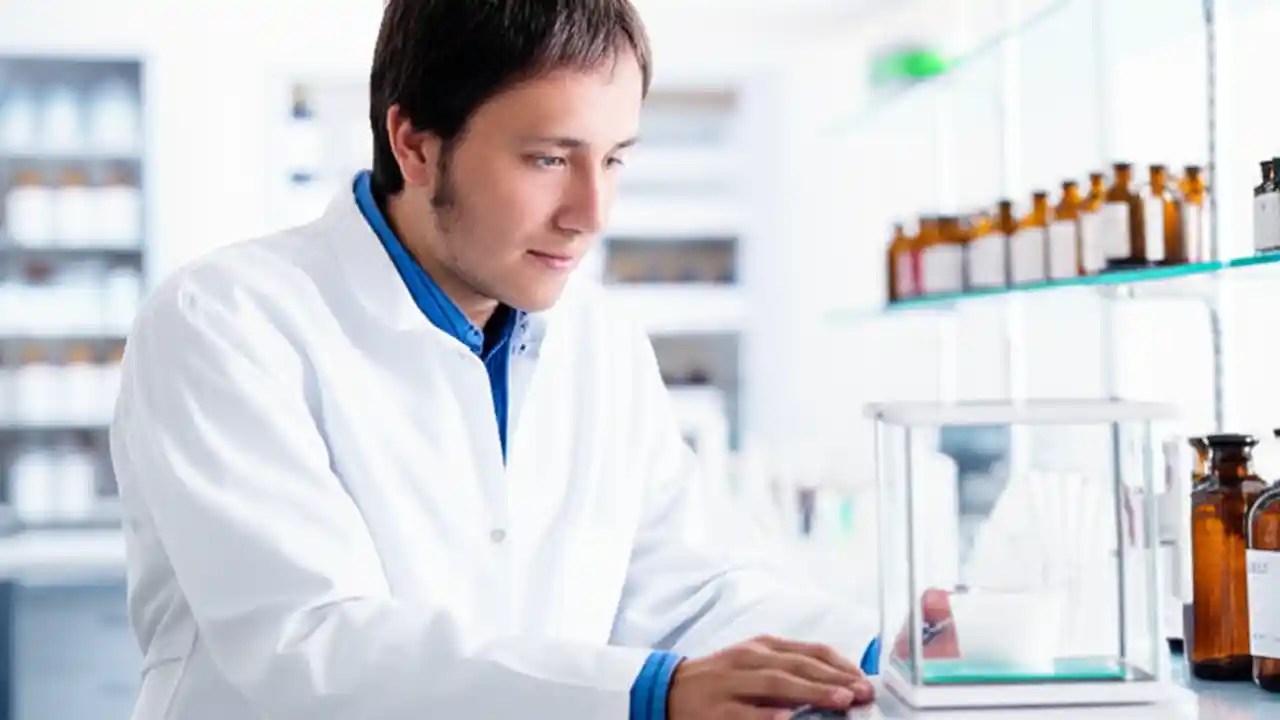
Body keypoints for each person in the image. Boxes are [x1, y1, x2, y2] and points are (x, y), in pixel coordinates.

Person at [111, 2, 951, 718]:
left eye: (614, 159)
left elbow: (682, 587)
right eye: (549, 159)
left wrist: (888, 646)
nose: (591, 211)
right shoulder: (226, 322)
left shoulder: (601, 340)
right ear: (414, 143)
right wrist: (649, 695)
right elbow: (308, 644)